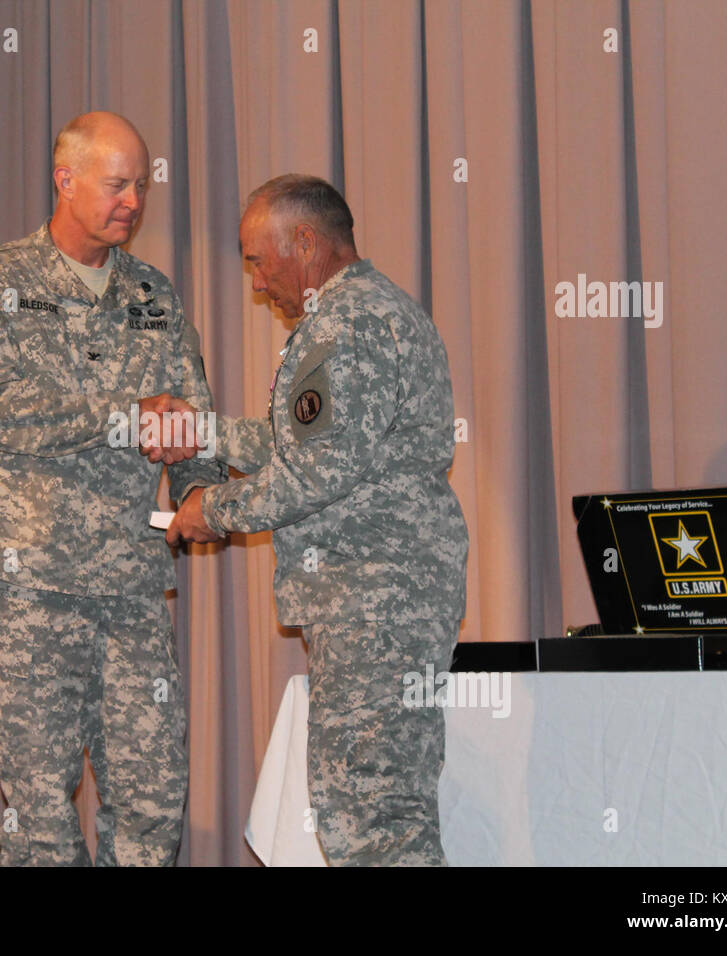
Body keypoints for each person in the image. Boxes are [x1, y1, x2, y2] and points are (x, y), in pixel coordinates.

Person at [0, 112, 224, 866]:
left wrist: (199, 491)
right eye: (116, 182)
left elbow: (189, 414)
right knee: (42, 815)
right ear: (65, 180)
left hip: (129, 585)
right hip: (30, 584)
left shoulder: (154, 294)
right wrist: (128, 420)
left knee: (153, 798)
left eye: (142, 184)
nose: (133, 199)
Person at [163, 174, 469, 865]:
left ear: (304, 241)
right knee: (387, 810)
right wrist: (205, 436)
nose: (257, 280)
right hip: (387, 598)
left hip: (372, 600)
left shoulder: (344, 324)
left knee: (368, 817)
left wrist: (211, 508)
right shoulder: (380, 310)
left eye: (257, 258)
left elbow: (316, 472)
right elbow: (305, 445)